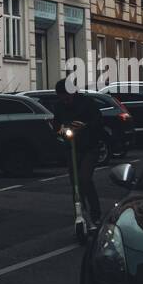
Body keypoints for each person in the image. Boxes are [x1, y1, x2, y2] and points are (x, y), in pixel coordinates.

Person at [50, 77, 104, 225]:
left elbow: (98, 121)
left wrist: (84, 126)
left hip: (89, 147)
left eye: (67, 97)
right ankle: (80, 214)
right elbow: (56, 126)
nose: (65, 101)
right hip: (72, 148)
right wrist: (62, 130)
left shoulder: (87, 103)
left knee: (85, 179)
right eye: (62, 98)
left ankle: (96, 214)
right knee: (75, 184)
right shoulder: (59, 106)